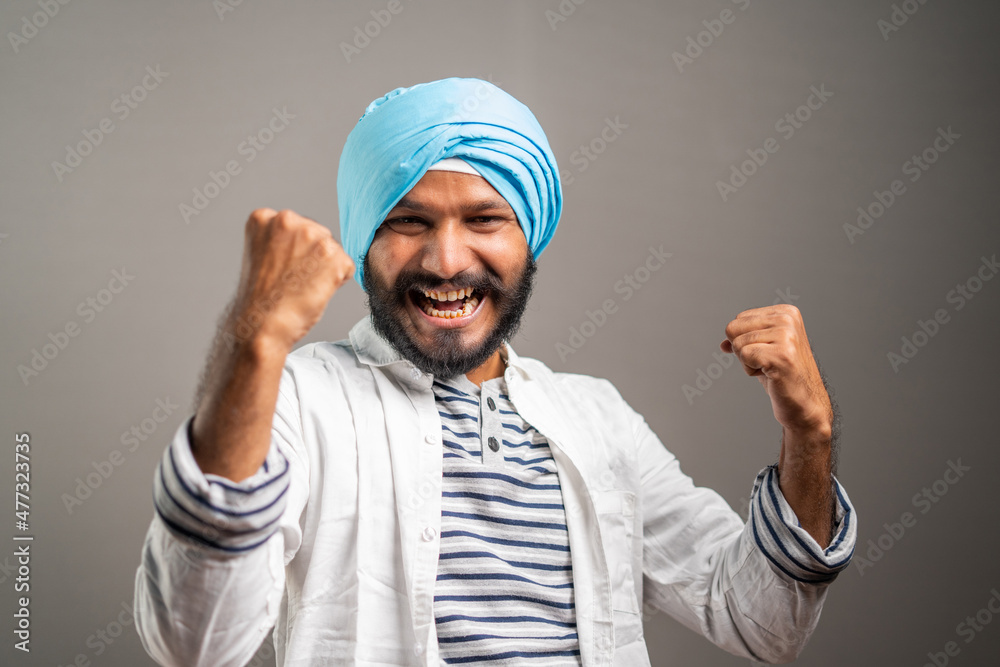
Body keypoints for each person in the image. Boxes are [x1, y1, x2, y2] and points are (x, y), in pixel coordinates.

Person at [133, 77, 856, 667]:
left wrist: (809, 433)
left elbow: (761, 621)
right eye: (408, 220)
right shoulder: (296, 399)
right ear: (362, 238)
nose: (447, 260)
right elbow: (192, 645)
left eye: (484, 219)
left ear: (528, 238)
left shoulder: (598, 415)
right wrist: (253, 342)